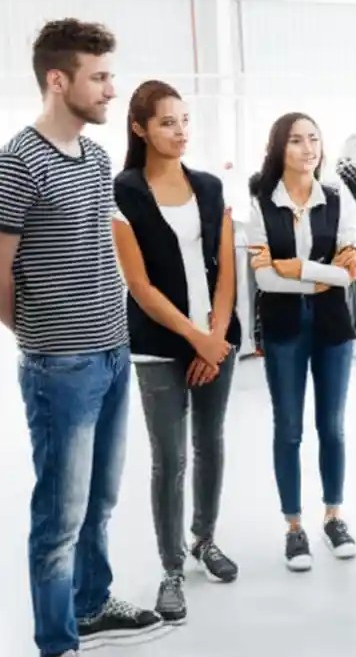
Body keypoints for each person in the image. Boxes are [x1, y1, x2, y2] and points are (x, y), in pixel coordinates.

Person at [0, 19, 162, 657]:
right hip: (62, 366)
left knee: (99, 501)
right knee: (59, 517)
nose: (112, 89)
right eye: (100, 77)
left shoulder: (96, 156)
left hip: (113, 354)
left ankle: (91, 604)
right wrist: (44, 339)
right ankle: (57, 643)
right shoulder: (16, 163)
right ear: (58, 81)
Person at [112, 79, 241, 624]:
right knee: (170, 459)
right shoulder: (124, 191)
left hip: (217, 337)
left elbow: (227, 269)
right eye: (167, 122)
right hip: (159, 344)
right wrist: (197, 339)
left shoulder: (209, 187)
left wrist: (216, 337)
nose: (181, 131)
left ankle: (204, 539)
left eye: (185, 120)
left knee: (210, 445)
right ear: (139, 128)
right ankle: (170, 569)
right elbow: (139, 286)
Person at [246, 112, 356, 572]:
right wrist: (319, 276)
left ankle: (334, 517)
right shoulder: (261, 202)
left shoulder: (337, 198)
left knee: (332, 426)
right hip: (283, 326)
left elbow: (349, 274)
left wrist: (294, 268)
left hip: (333, 326)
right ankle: (294, 527)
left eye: (314, 138)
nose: (308, 148)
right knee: (289, 428)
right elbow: (264, 280)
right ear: (280, 148)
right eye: (296, 140)